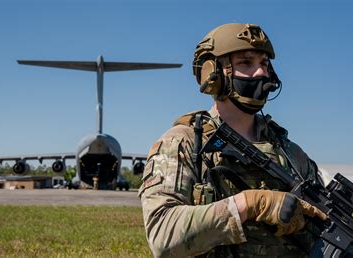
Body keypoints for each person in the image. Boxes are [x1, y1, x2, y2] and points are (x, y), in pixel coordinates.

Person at [138, 23, 329, 257]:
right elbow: (163, 236)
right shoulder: (184, 143)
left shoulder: (290, 153)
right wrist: (249, 204)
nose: (261, 72)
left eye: (264, 64)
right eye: (246, 63)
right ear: (214, 74)